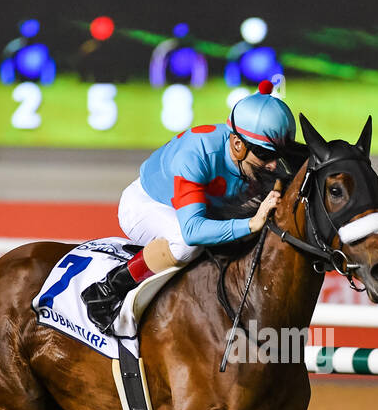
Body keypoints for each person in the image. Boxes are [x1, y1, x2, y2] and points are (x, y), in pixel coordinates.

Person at [82, 81, 297, 332]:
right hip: (150, 205)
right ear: (237, 144)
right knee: (187, 246)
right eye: (264, 155)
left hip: (211, 205)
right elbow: (192, 231)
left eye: (278, 155)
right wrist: (251, 223)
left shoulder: (255, 149)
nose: (273, 165)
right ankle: (110, 288)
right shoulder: (195, 155)